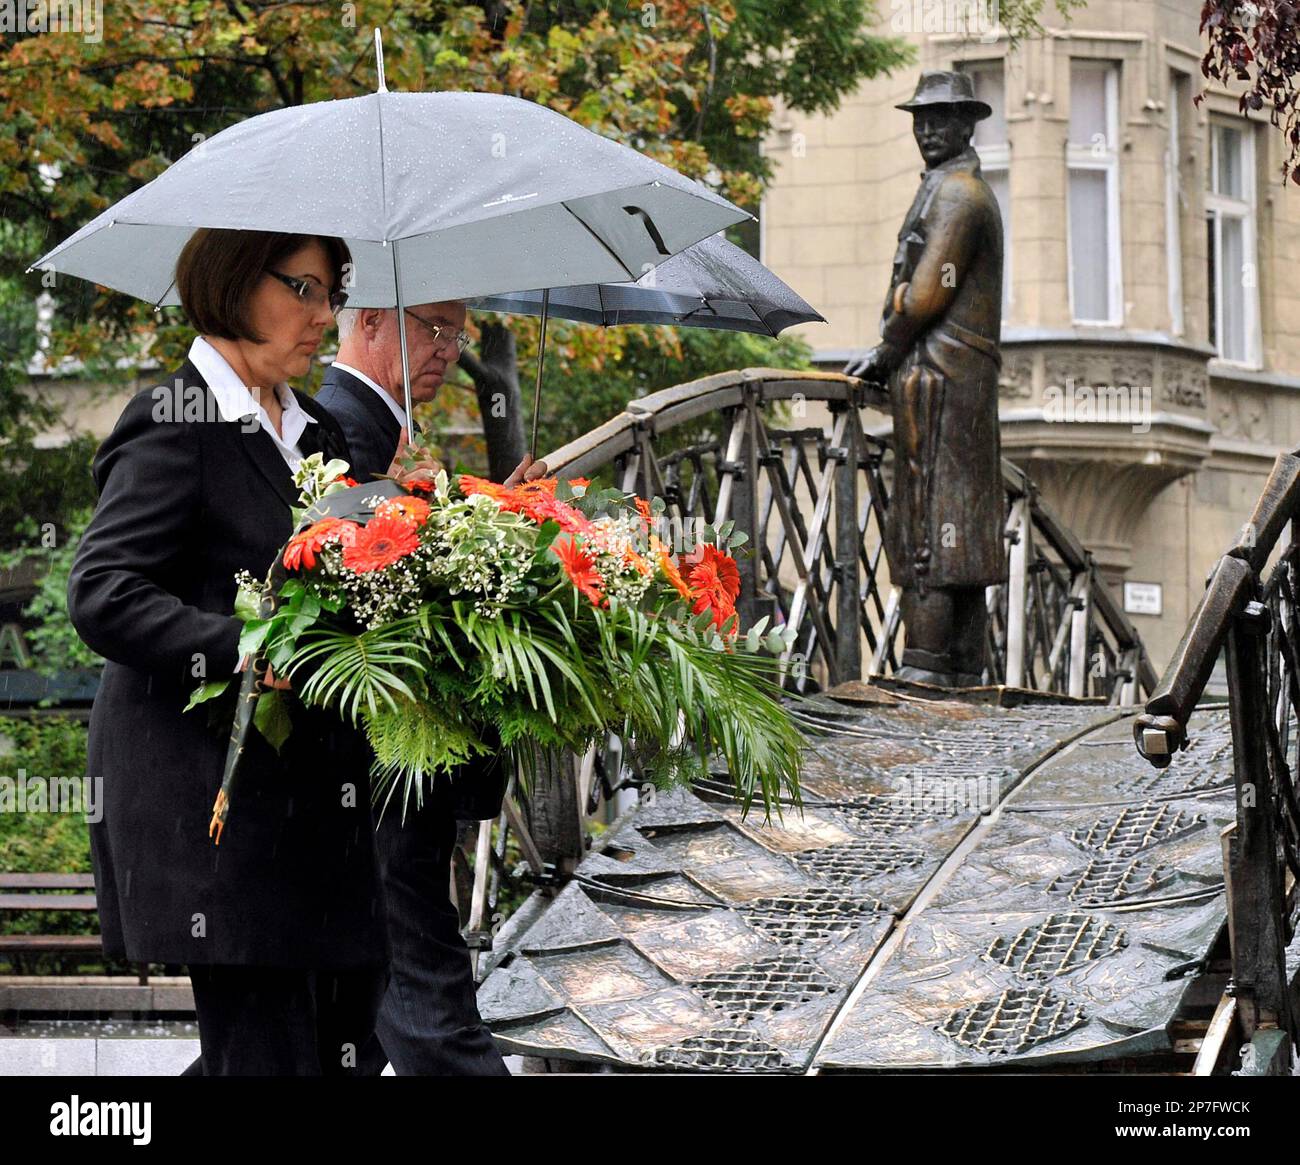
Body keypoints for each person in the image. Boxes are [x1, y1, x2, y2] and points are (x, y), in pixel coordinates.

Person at [67, 228, 392, 1076]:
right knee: (268, 1056)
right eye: (305, 289)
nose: (324, 316)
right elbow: (102, 591)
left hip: (314, 811)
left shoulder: (314, 429)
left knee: (336, 1050)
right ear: (237, 282)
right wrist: (248, 650)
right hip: (212, 808)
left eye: (332, 294)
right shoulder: (176, 420)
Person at [319, 303, 546, 1076]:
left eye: (457, 332)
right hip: (375, 775)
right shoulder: (335, 424)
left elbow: (403, 548)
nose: (451, 349)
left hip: (383, 778)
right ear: (373, 320)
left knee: (328, 1039)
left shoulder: (373, 426)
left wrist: (495, 511)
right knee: (432, 1017)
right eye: (435, 328)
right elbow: (356, 578)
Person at [843, 70, 1007, 687]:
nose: (928, 130)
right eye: (920, 119)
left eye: (941, 119)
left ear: (968, 124)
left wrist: (887, 347)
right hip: (953, 377)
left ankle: (928, 665)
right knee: (953, 519)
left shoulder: (960, 194)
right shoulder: (952, 187)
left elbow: (929, 289)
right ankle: (958, 665)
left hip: (942, 377)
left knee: (935, 514)